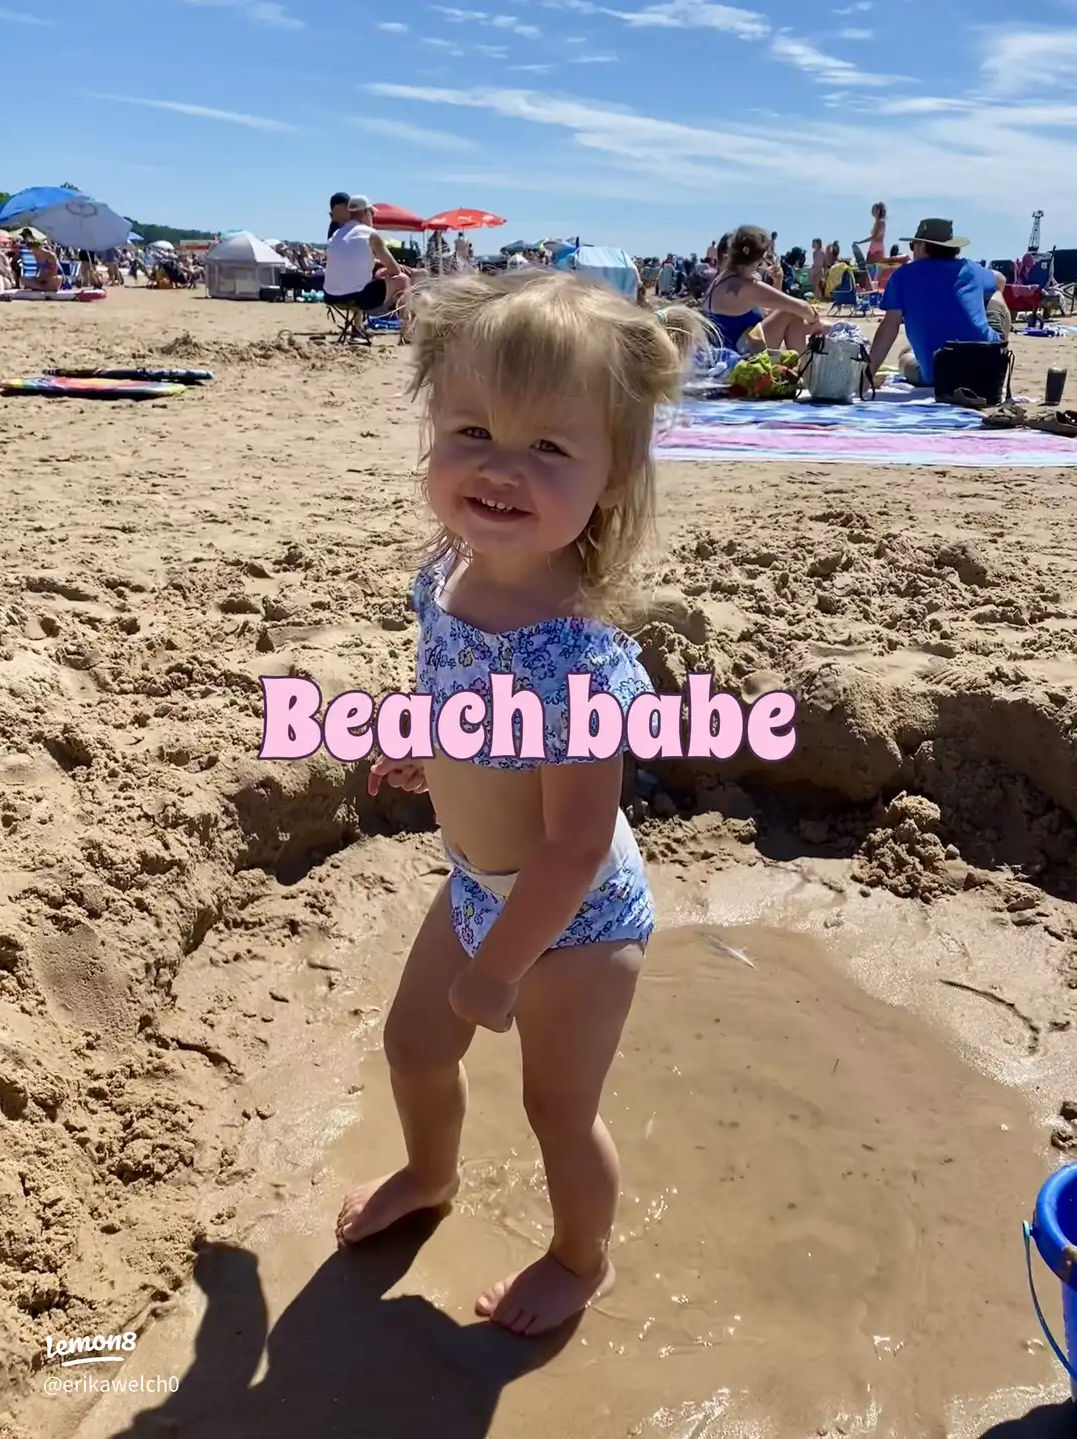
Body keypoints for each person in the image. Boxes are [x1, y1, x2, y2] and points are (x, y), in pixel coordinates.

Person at [334, 268, 707, 1336]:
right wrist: (432, 748)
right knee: (415, 1047)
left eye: (548, 448)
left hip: (573, 918)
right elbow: (460, 701)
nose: (499, 467)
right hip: (475, 880)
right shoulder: (446, 574)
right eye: (470, 429)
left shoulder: (581, 659)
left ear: (614, 478)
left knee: (557, 1108)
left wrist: (500, 964)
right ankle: (427, 1172)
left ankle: (580, 1259)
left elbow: (579, 842)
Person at [868, 217, 1000, 388]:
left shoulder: (903, 275)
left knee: (905, 357)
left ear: (922, 246)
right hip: (988, 371)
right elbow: (1000, 280)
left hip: (938, 376)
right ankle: (997, 348)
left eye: (912, 245)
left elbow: (889, 327)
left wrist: (867, 375)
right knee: (996, 292)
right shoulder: (971, 269)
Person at [702, 224, 828, 355]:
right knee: (792, 312)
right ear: (757, 257)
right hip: (739, 360)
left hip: (727, 353)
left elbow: (767, 314)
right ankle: (805, 366)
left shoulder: (721, 280)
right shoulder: (745, 286)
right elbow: (801, 307)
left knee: (791, 313)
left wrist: (777, 281)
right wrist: (815, 322)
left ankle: (803, 364)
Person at [324, 195, 410, 324]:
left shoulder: (336, 235)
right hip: (358, 298)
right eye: (372, 213)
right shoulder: (371, 234)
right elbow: (395, 270)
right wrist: (384, 272)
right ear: (366, 212)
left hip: (331, 297)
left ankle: (357, 328)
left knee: (357, 283)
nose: (373, 217)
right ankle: (406, 329)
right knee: (403, 279)